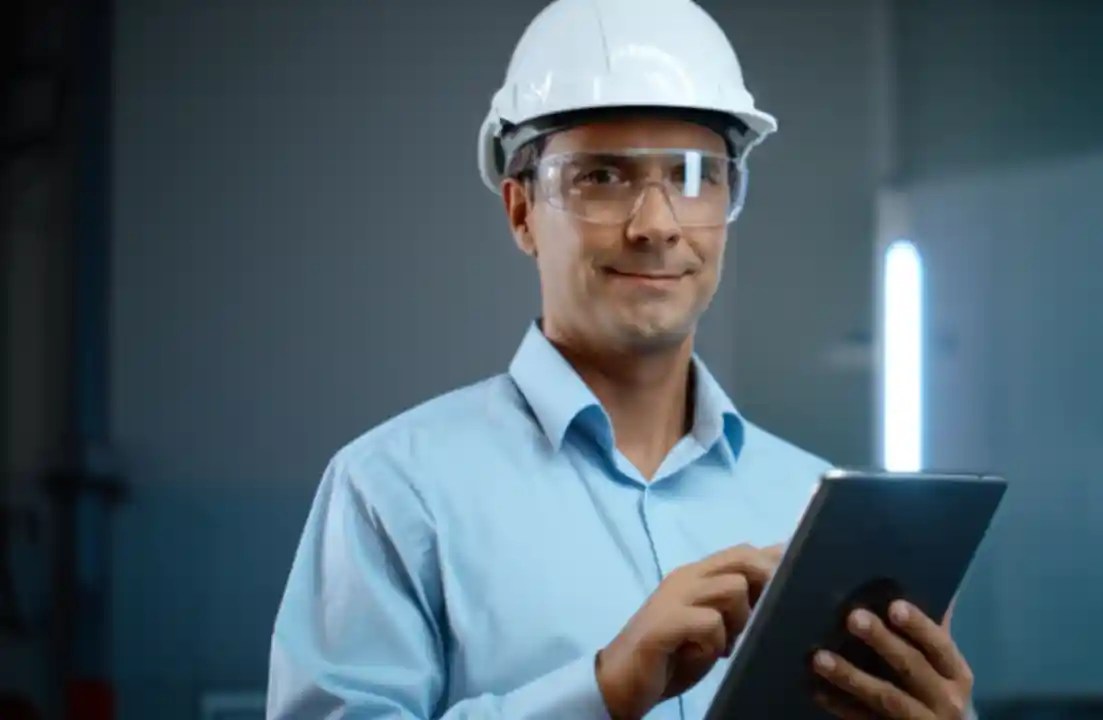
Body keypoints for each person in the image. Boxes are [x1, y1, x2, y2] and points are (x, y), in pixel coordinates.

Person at [266, 0, 977, 718]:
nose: (657, 226)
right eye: (602, 177)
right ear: (521, 212)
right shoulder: (394, 492)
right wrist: (601, 690)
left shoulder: (810, 511)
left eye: (695, 176)